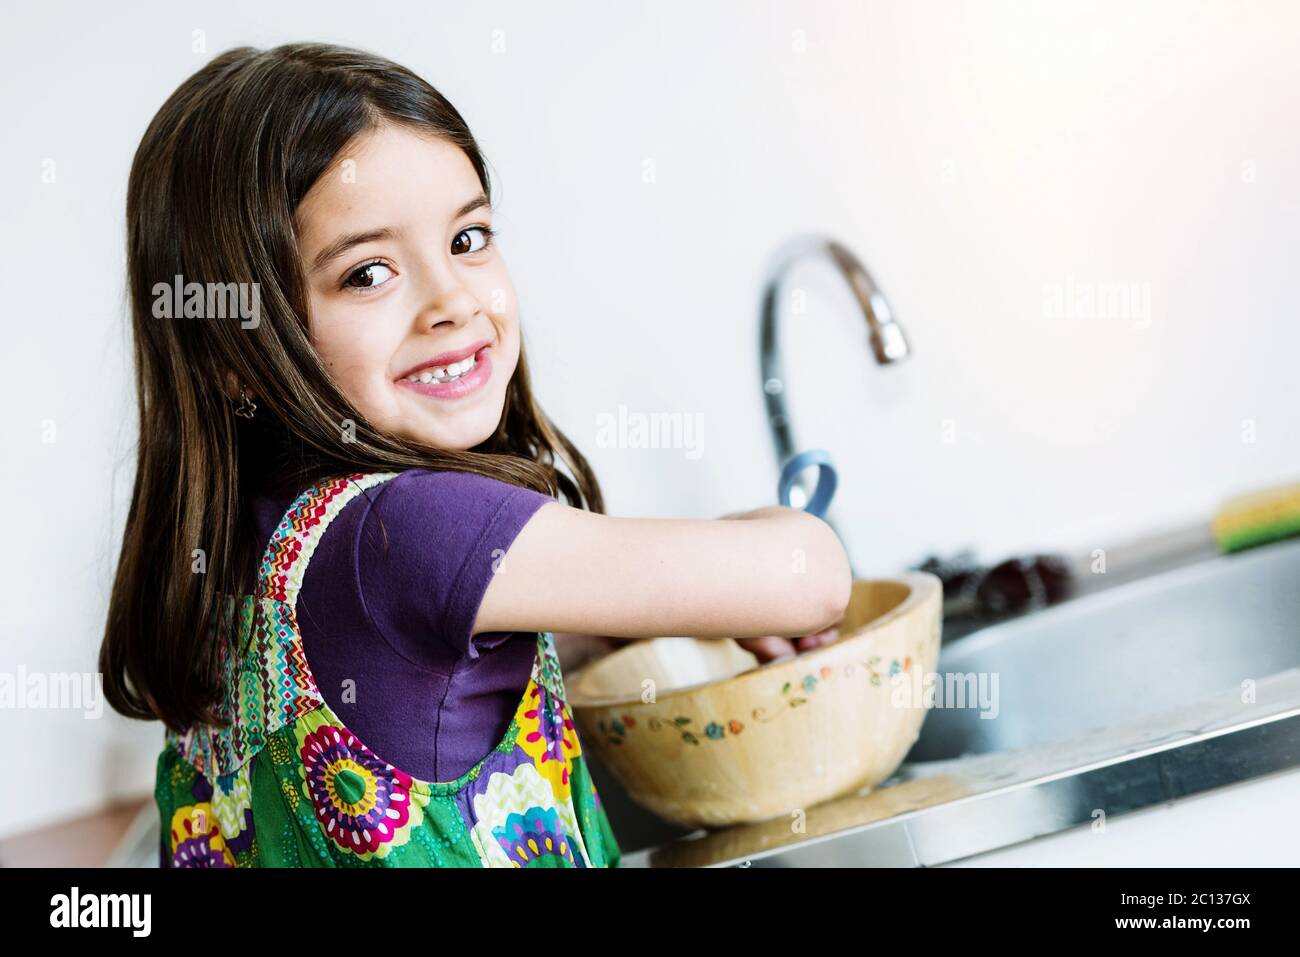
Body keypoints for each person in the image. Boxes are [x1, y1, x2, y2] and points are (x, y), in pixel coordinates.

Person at [100, 42, 851, 868]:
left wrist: (684, 609)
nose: (452, 300)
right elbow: (810, 574)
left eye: (469, 238)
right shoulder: (414, 527)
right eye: (369, 272)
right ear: (233, 348)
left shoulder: (255, 552)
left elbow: (428, 670)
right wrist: (774, 554)